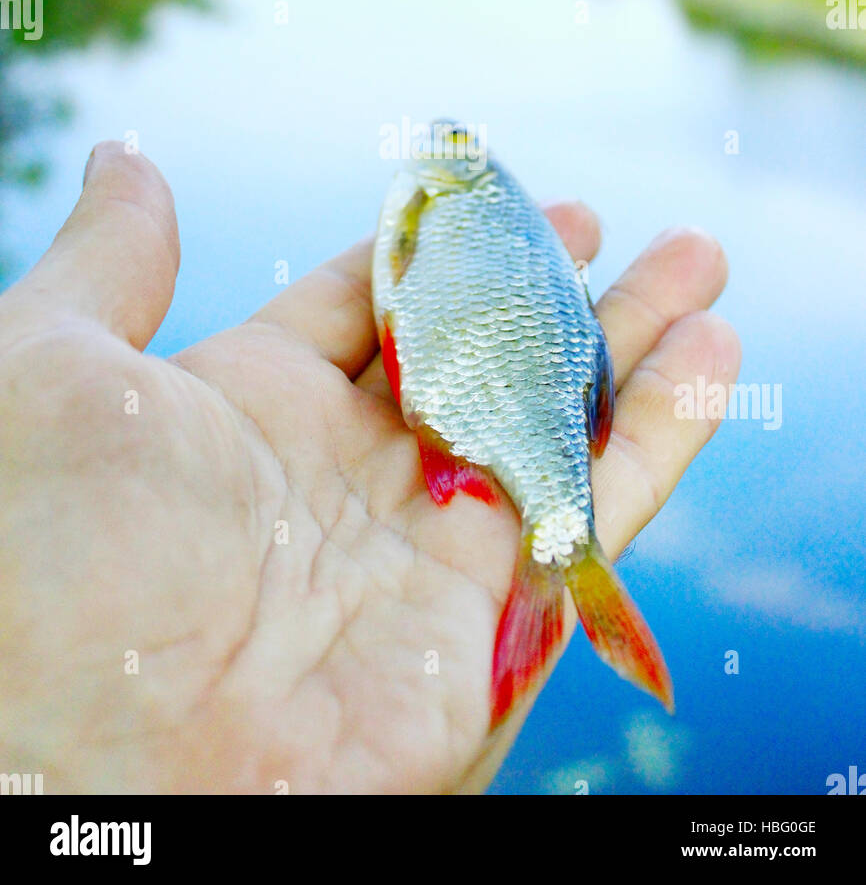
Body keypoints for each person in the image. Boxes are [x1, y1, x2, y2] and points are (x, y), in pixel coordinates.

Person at [0, 141, 739, 794]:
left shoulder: (431, 204)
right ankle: (563, 558)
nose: (440, 144)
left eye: (453, 143)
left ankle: (562, 553)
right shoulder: (488, 219)